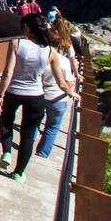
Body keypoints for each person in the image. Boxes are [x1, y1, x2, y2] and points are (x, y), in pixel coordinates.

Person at [0, 14, 71, 180]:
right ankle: (18, 173)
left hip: (14, 92)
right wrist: (72, 92)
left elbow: (8, 72)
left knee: (6, 122)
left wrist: (0, 93)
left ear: (28, 28)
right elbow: (61, 81)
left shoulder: (17, 43)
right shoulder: (51, 52)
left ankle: (7, 153)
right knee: (28, 134)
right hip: (36, 96)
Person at [36, 14, 81, 158]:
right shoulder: (68, 48)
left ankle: (30, 140)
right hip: (58, 96)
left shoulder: (44, 46)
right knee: (52, 127)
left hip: (40, 91)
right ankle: (42, 153)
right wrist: (72, 88)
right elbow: (67, 80)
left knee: (35, 119)